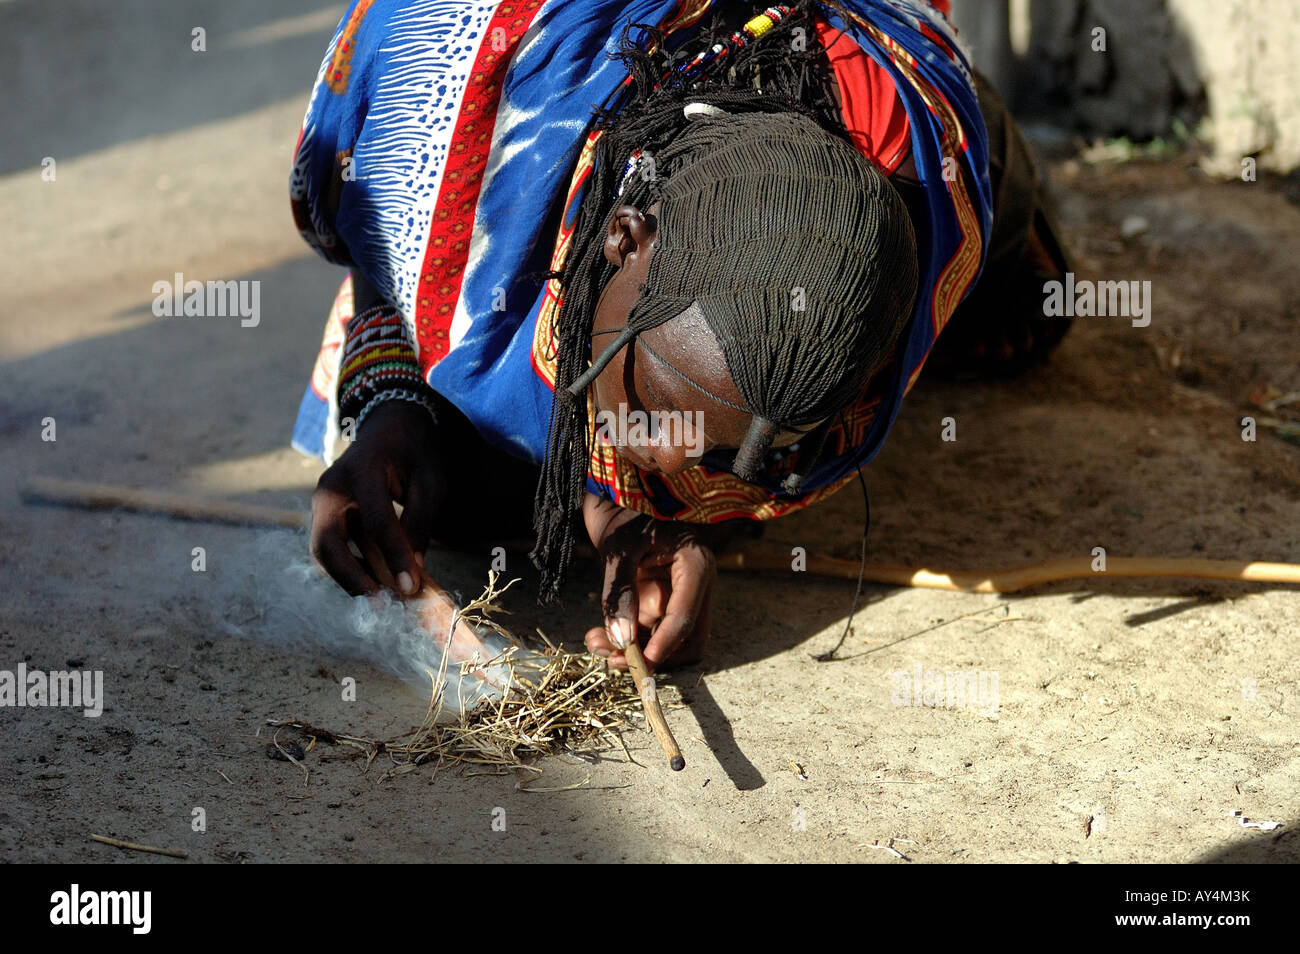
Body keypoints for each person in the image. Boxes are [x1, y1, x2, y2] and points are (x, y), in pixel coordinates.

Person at [289, 0, 1071, 671]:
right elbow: (380, 246)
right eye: (668, 409)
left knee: (1016, 305)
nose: (672, 462)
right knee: (461, 498)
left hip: (883, 93)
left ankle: (1013, 256)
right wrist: (393, 406)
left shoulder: (924, 151)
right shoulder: (461, 73)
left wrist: (673, 514)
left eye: (713, 455)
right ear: (622, 237)